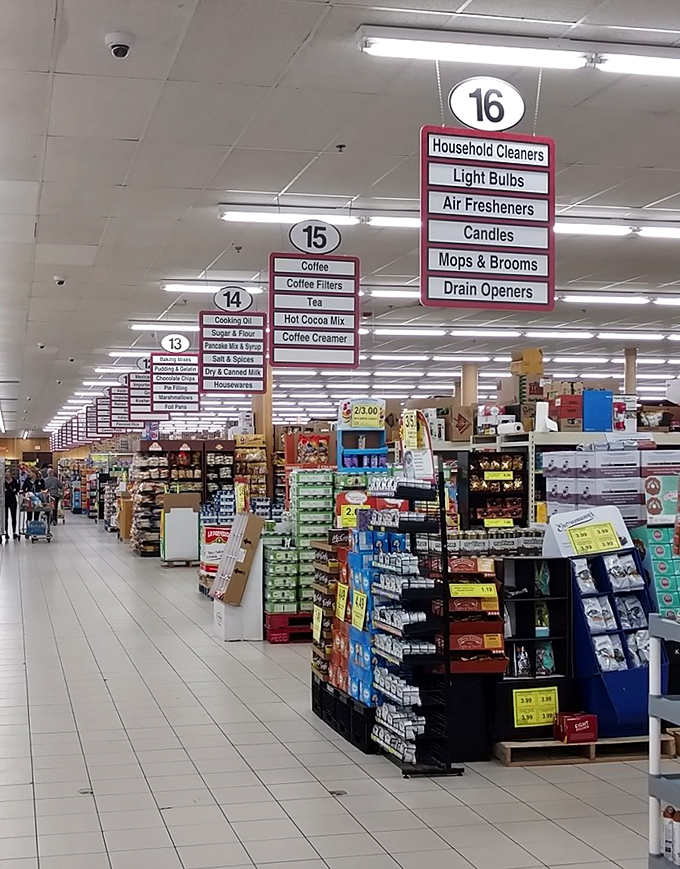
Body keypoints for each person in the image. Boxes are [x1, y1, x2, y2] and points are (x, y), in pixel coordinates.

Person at [4, 471, 19, 540]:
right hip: (5, 501)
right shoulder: (3, 482)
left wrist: (14, 490)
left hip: (13, 501)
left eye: (7, 473)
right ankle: (6, 532)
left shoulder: (14, 481)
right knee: (5, 517)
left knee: (14, 516)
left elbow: (17, 489)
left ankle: (14, 532)